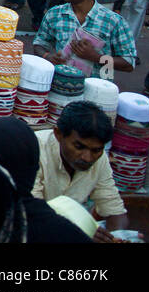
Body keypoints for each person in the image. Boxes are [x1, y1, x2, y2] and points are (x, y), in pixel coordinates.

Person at [32, 101, 128, 239]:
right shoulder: (34, 150)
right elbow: (32, 213)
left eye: (96, 150)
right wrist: (78, 234)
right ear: (58, 134)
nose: (87, 158)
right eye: (79, 147)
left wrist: (119, 237)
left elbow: (113, 208)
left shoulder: (100, 160)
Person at [32, 0, 136, 77]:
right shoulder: (54, 14)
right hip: (59, 85)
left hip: (96, 91)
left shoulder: (113, 22)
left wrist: (96, 57)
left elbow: (128, 63)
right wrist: (47, 56)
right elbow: (39, 43)